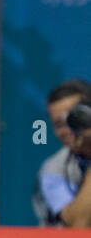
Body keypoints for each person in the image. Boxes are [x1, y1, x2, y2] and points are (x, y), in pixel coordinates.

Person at [33, 78, 91, 228]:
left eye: (76, 117)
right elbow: (78, 225)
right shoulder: (53, 169)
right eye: (59, 124)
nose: (70, 128)